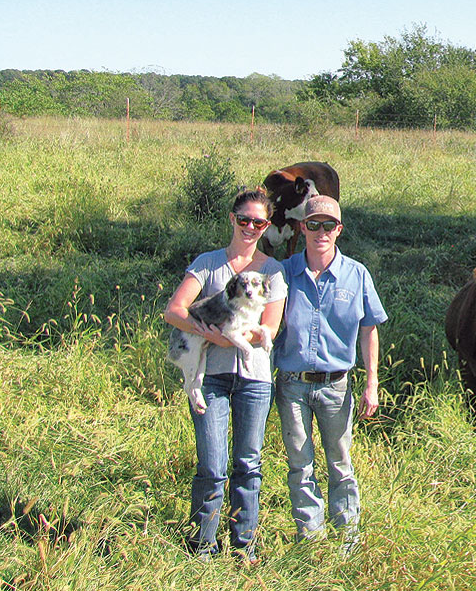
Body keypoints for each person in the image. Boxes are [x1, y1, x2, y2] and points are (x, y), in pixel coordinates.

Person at [163, 188, 287, 562]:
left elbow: (271, 326)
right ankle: (202, 544)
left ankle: (243, 546)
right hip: (212, 377)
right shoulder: (208, 263)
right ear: (232, 219)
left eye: (259, 222)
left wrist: (233, 339)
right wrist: (208, 334)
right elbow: (175, 310)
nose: (250, 227)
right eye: (244, 219)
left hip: (255, 379)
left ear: (266, 226)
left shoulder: (272, 272)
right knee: (213, 465)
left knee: (248, 464)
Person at [272, 194, 387, 552]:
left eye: (328, 225)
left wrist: (372, 383)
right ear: (302, 228)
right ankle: (310, 539)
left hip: (337, 386)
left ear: (339, 230)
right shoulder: (284, 272)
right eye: (313, 225)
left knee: (340, 463)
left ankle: (346, 541)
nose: (320, 232)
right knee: (300, 464)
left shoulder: (357, 274)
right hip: (292, 385)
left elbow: (370, 328)